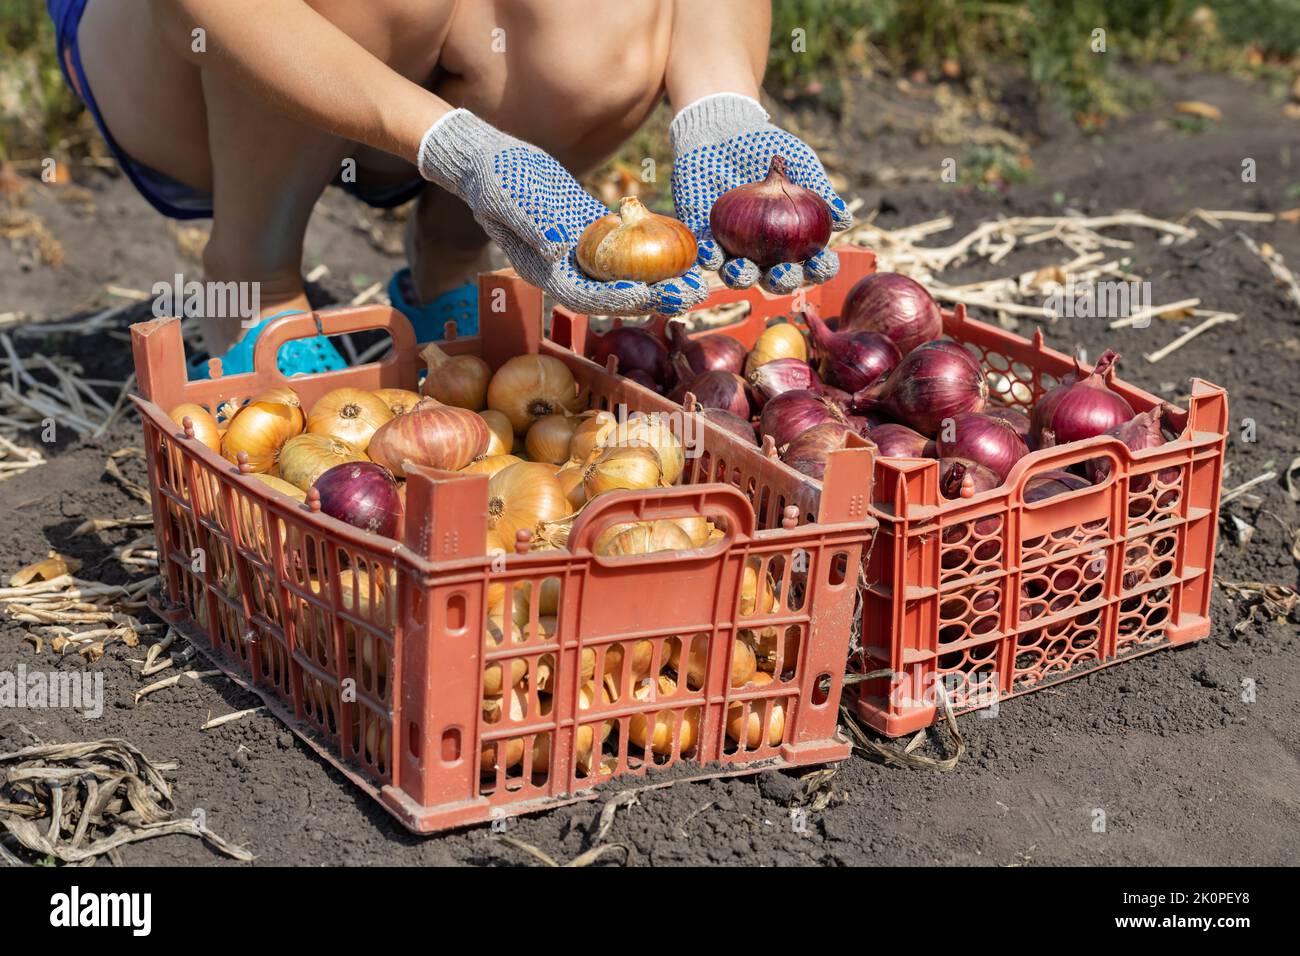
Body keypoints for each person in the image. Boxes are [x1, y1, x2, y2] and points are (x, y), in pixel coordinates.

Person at [48, 0, 852, 376]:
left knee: (608, 16)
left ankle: (456, 251)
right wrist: (461, 148)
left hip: (440, 46)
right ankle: (253, 277)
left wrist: (719, 103)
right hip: (199, 56)